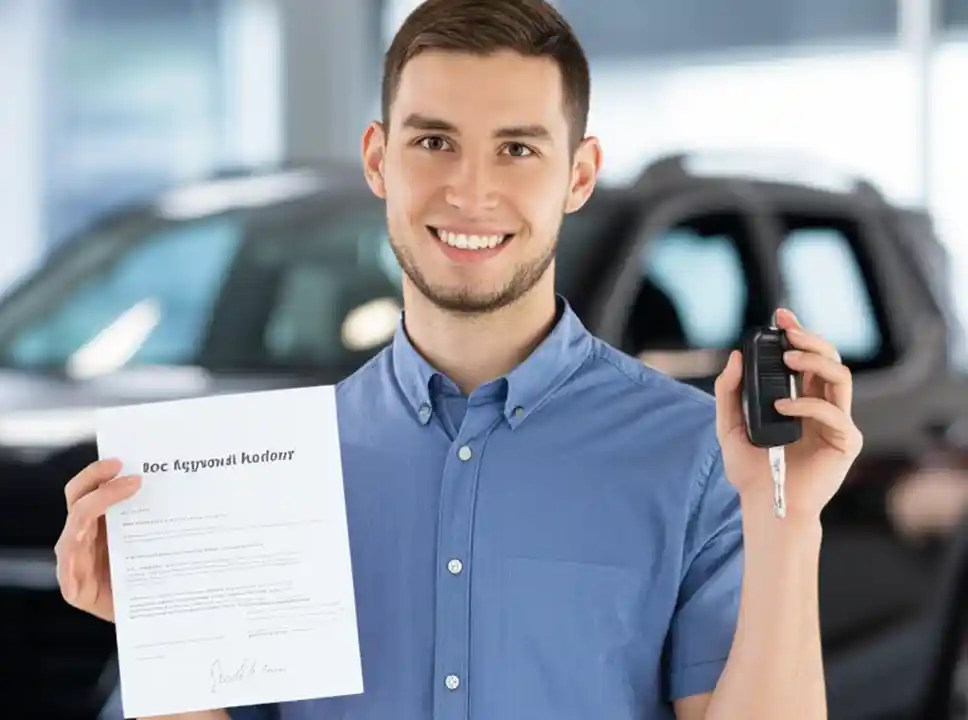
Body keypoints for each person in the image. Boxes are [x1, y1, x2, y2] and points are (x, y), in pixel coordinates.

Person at [54, 0, 864, 717]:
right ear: (378, 158)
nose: (470, 190)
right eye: (435, 140)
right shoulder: (268, 470)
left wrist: (788, 526)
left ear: (578, 175)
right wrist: (160, 631)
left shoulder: (701, 459)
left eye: (517, 149)